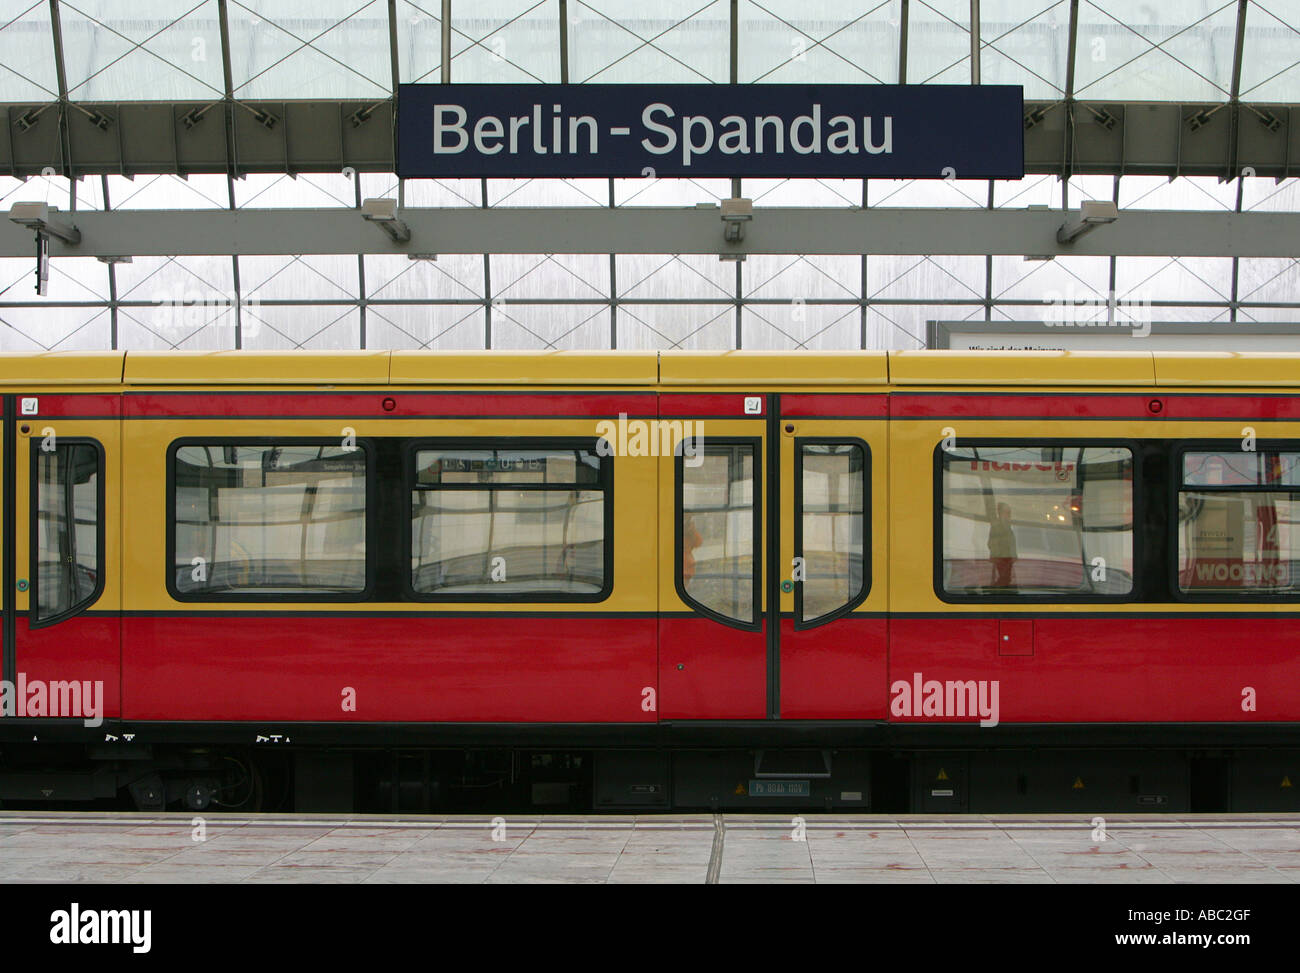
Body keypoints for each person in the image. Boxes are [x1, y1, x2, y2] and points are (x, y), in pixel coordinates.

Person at [987, 501, 1017, 587]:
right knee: (1005, 579)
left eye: (1009, 512)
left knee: (1006, 579)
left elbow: (1012, 542)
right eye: (1007, 512)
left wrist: (1013, 555)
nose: (1009, 515)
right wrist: (997, 556)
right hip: (1002, 558)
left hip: (1007, 558)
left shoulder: (1007, 525)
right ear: (1001, 513)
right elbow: (991, 543)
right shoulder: (997, 526)